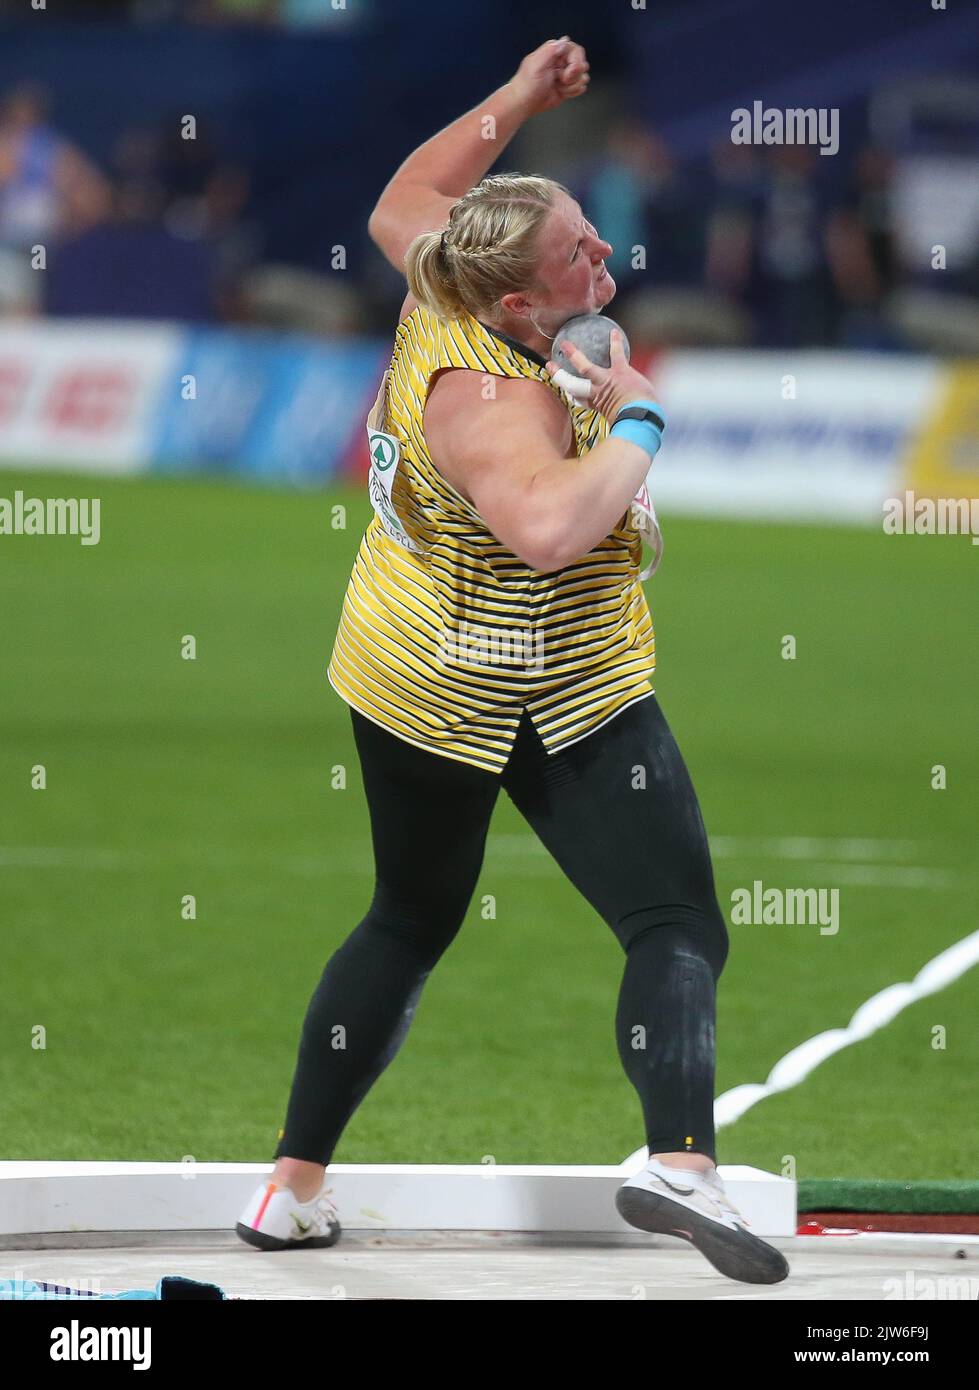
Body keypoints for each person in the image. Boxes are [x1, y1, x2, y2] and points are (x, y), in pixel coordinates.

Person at [236, 37, 788, 1286]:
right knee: (673, 917)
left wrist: (519, 102)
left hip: (404, 661)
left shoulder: (442, 273)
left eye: (591, 231)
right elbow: (547, 529)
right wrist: (639, 409)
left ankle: (287, 1190)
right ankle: (677, 1165)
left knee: (409, 915)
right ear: (519, 309)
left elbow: (398, 204)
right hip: (538, 671)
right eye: (577, 257)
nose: (603, 258)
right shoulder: (496, 400)